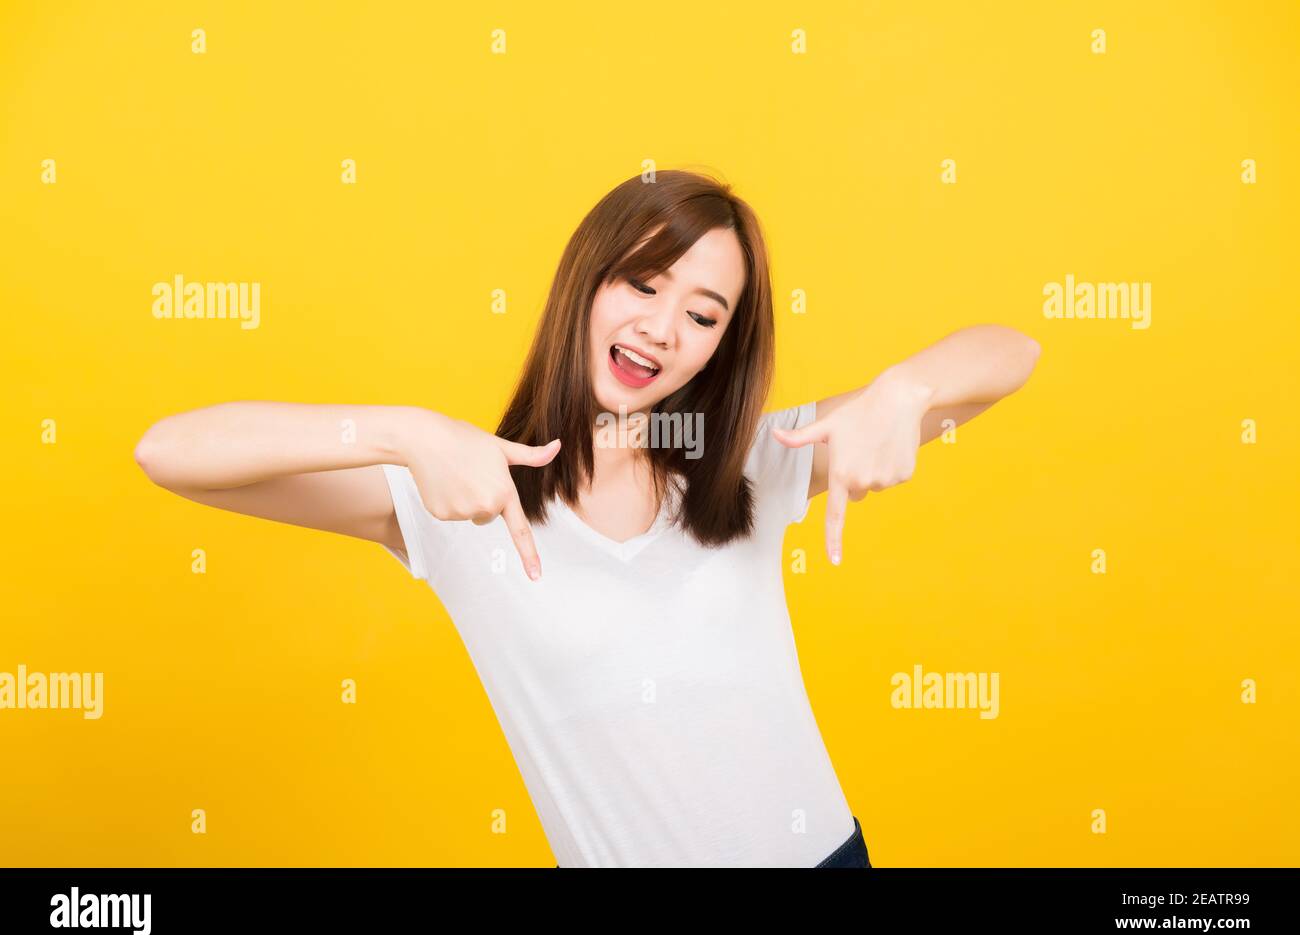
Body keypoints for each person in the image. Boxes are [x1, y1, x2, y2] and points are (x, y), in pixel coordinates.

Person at [134, 169, 1041, 867]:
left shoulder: (753, 463)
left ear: (722, 347)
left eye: (702, 313)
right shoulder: (458, 499)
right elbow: (169, 452)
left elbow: (1013, 351)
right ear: (588, 279)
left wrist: (904, 390)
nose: (661, 327)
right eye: (642, 284)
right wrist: (401, 432)